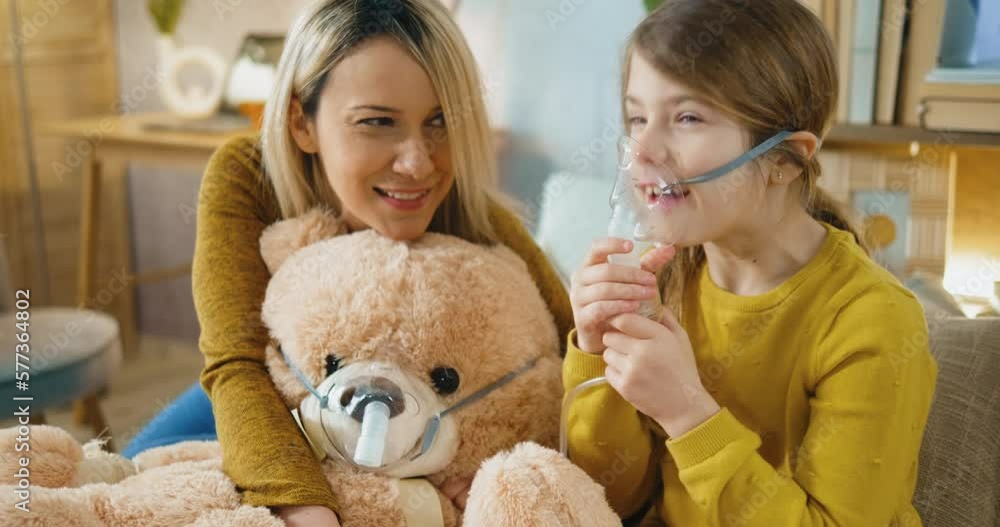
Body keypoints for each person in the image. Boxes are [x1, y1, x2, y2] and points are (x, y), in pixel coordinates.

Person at [122, 1, 572, 525]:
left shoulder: (474, 212)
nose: (418, 163)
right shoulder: (248, 178)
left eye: (440, 121)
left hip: (409, 428)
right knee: (136, 477)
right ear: (300, 122)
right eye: (377, 122)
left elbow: (569, 355)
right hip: (264, 398)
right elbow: (236, 363)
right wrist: (306, 509)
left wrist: (499, 466)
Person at [564, 1, 937, 525]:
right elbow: (611, 501)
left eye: (687, 117)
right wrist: (594, 351)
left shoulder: (870, 322)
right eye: (636, 118)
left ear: (785, 159)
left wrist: (688, 413)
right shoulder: (664, 282)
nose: (640, 151)